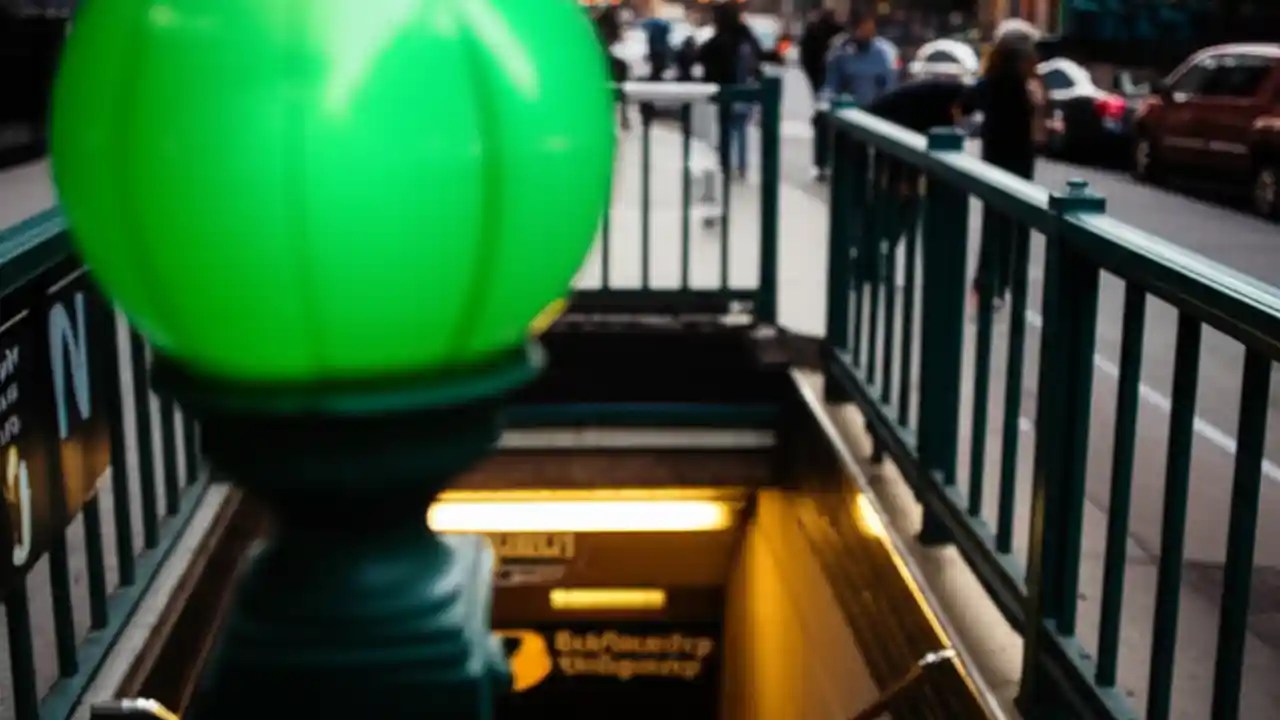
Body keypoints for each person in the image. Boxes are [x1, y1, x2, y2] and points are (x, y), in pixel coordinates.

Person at [959, 31, 1045, 308]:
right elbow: (1039, 136)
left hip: (995, 160)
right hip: (1019, 163)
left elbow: (963, 106)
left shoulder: (990, 83)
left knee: (993, 225)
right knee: (1016, 228)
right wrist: (1039, 107)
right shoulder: (1027, 87)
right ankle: (1006, 286)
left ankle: (987, 284)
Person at [813, 8, 898, 181]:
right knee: (822, 123)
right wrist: (825, 101)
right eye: (862, 27)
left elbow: (889, 84)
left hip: (875, 108)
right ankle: (824, 165)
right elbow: (831, 82)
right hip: (849, 110)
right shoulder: (841, 52)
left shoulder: (883, 53)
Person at [697, 1, 762, 179]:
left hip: (727, 87)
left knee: (726, 128)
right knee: (740, 128)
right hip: (745, 87)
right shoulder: (745, 37)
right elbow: (758, 56)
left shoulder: (722, 39)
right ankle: (741, 166)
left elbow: (703, 54)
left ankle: (727, 164)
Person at [800, 9, 840, 178]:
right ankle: (826, 160)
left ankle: (822, 161)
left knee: (822, 120)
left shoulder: (813, 33)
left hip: (821, 79)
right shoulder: (835, 35)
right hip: (826, 80)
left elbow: (806, 57)